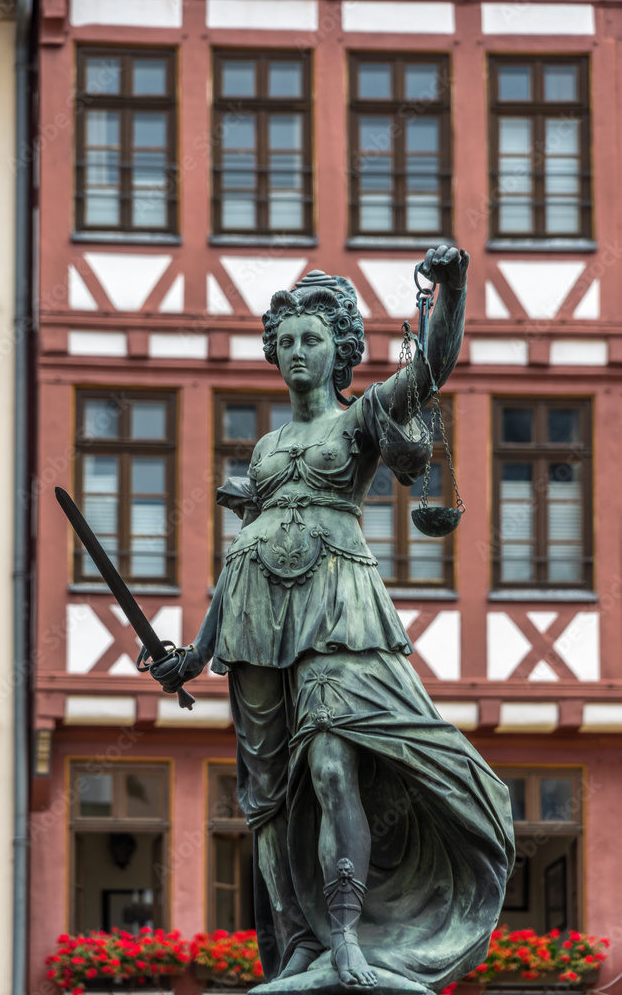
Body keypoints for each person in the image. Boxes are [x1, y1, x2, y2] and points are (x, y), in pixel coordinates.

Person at [151, 246, 514, 994]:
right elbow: (243, 550)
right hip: (255, 617)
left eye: (311, 339)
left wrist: (451, 289)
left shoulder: (362, 418)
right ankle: (296, 946)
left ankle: (346, 937)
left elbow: (430, 370)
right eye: (285, 341)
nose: (296, 353)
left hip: (336, 609)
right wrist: (196, 653)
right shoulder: (267, 446)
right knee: (267, 798)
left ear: (338, 348)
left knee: (330, 762)